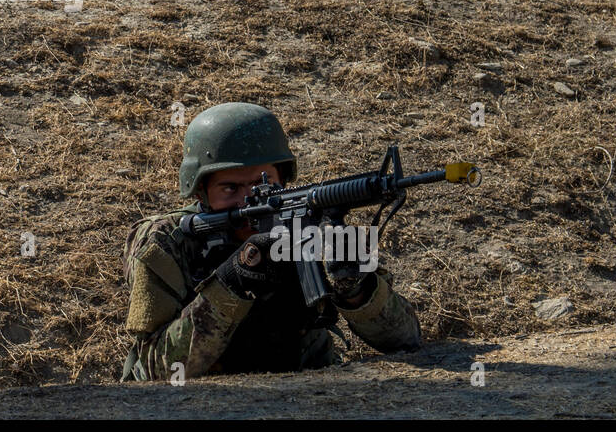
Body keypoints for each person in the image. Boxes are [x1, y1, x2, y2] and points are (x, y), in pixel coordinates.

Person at [121, 102, 423, 381]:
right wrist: (231, 283)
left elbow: (406, 339)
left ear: (283, 180)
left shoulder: (308, 224)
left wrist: (356, 288)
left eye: (262, 184)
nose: (249, 199)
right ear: (200, 191)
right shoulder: (166, 241)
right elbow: (156, 371)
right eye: (230, 188)